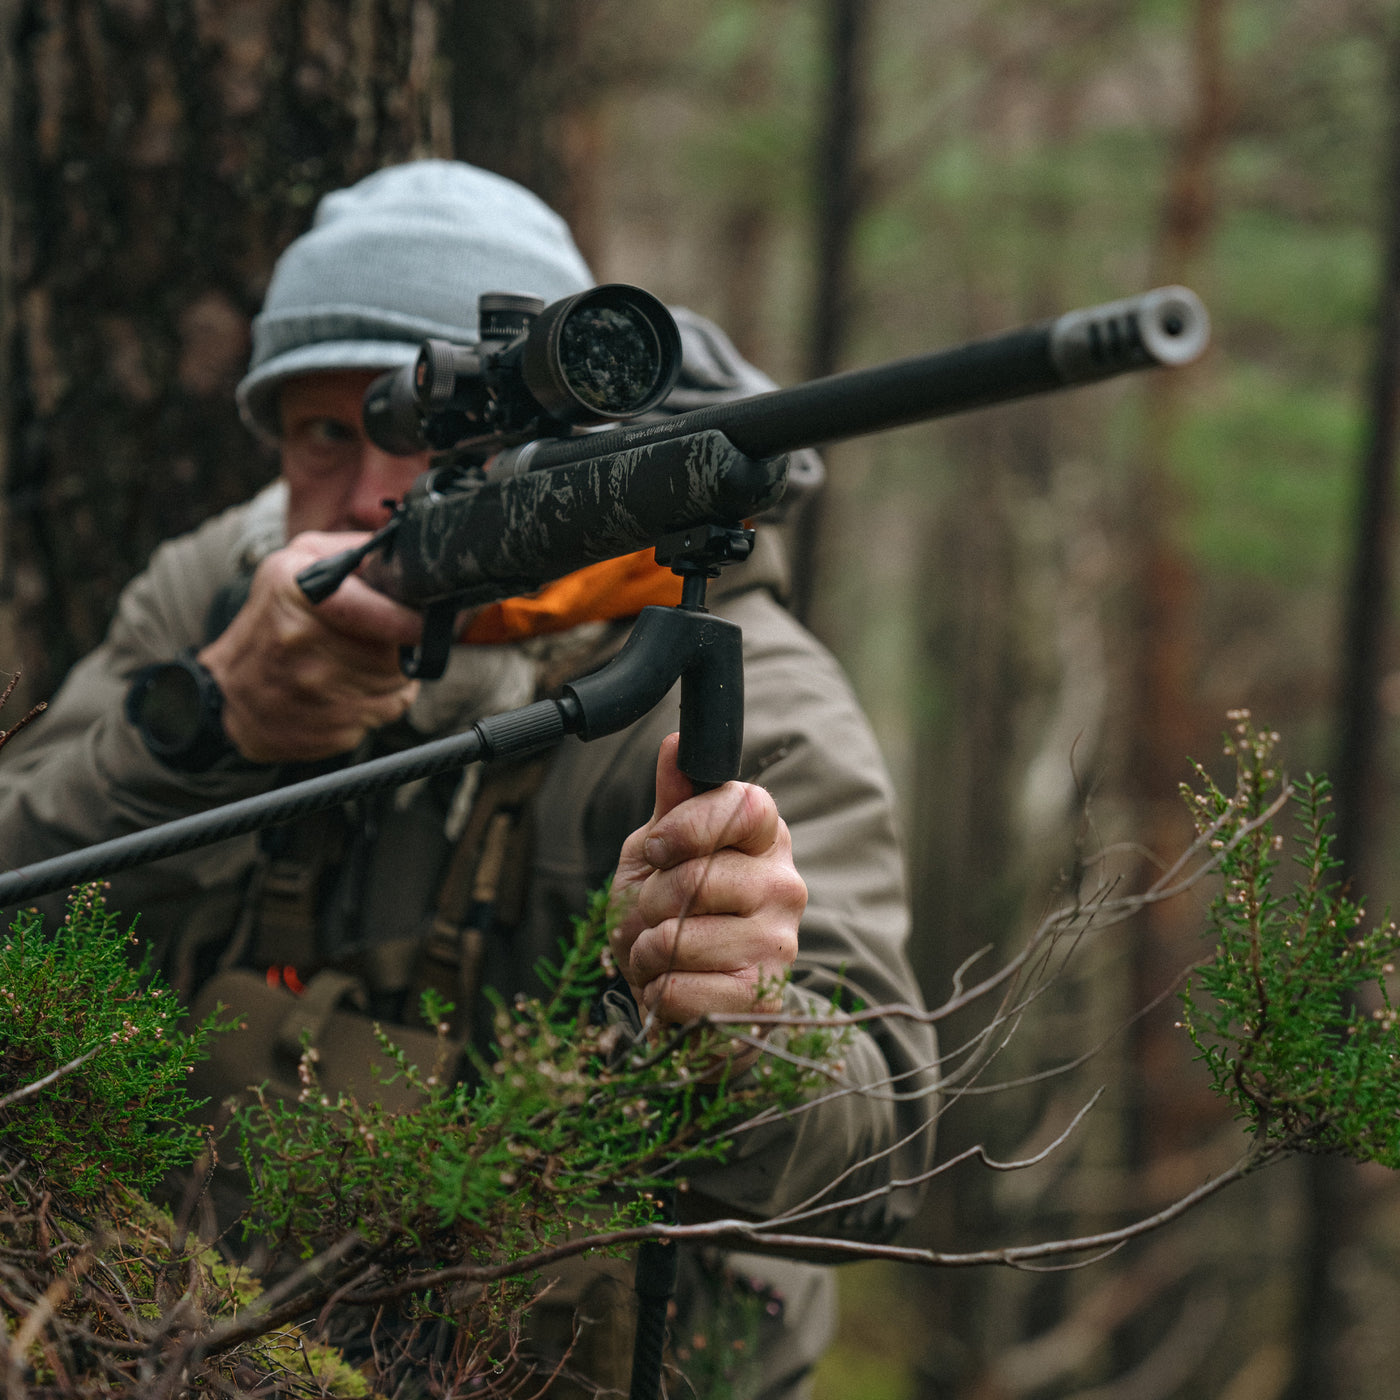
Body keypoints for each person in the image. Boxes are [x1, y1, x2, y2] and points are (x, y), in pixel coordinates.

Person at [0, 160, 936, 1398]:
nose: (371, 493)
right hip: (183, 1342)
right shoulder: (220, 586)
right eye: (323, 432)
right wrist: (199, 737)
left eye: (429, 437)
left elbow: (879, 1164)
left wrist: (740, 1030)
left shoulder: (736, 680)